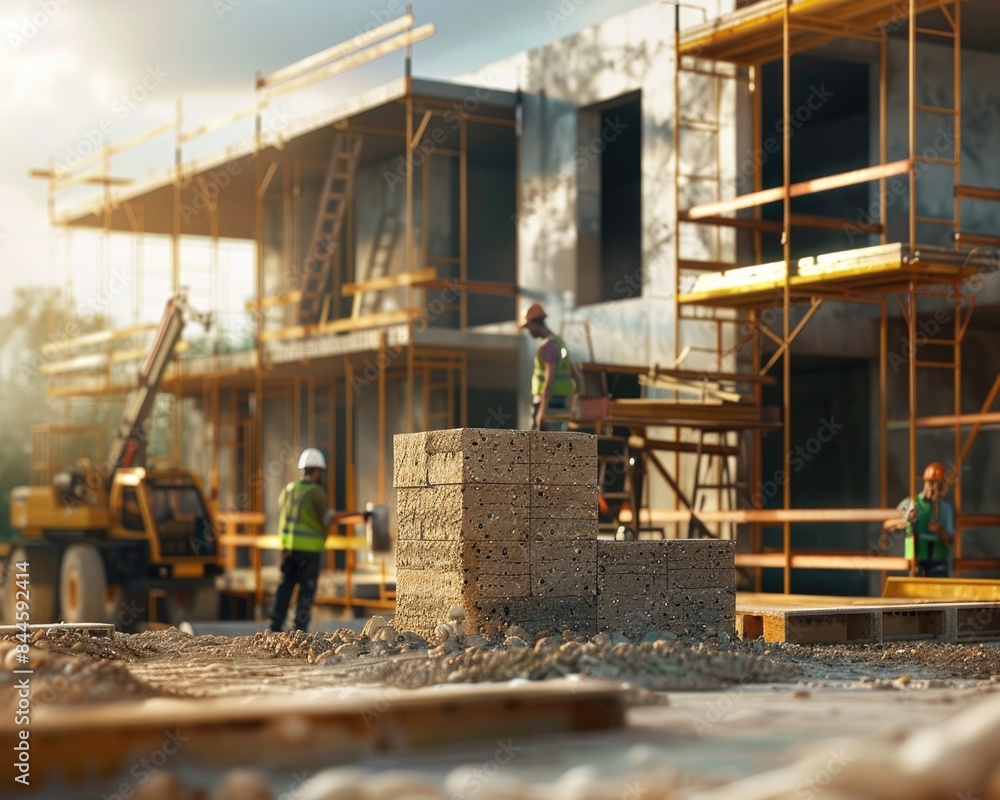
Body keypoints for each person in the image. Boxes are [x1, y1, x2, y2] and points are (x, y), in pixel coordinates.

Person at [269, 447, 356, 633]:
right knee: (305, 594)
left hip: (288, 550)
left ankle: (274, 629)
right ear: (317, 472)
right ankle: (299, 632)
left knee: (284, 589)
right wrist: (355, 515)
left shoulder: (288, 490)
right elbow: (326, 518)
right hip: (309, 553)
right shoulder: (315, 492)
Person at [883, 461, 955, 577]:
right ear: (924, 483)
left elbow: (951, 540)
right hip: (915, 562)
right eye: (930, 483)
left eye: (937, 485)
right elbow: (888, 524)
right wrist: (905, 520)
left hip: (938, 562)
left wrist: (940, 532)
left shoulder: (945, 509)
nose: (932, 488)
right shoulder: (911, 503)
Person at [520, 303, 577, 431]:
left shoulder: (549, 345)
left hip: (550, 404)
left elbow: (549, 380)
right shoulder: (557, 341)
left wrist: (542, 412)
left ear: (536, 323)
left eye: (529, 327)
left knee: (544, 445)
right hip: (557, 402)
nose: (528, 331)